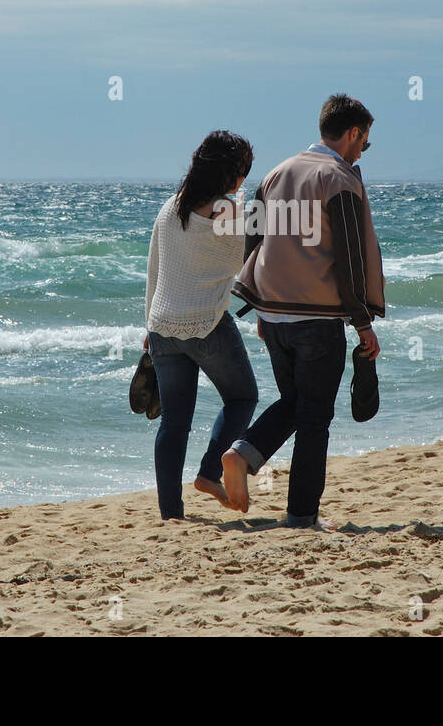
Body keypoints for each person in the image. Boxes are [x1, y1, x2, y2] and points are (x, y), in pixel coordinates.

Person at [221, 94, 386, 527]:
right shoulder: (339, 179)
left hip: (274, 315)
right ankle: (302, 516)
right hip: (317, 319)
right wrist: (363, 322)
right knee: (315, 420)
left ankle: (242, 454)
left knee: (296, 403)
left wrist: (257, 305)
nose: (362, 151)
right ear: (353, 133)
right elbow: (351, 258)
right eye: (365, 142)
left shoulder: (276, 173)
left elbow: (252, 242)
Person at [144, 131, 259, 520]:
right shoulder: (226, 210)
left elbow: (155, 272)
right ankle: (210, 473)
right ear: (231, 171)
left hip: (162, 325)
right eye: (244, 169)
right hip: (205, 323)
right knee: (242, 397)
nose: (244, 178)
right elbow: (246, 261)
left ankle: (170, 513)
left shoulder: (169, 208)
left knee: (174, 423)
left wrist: (150, 326)